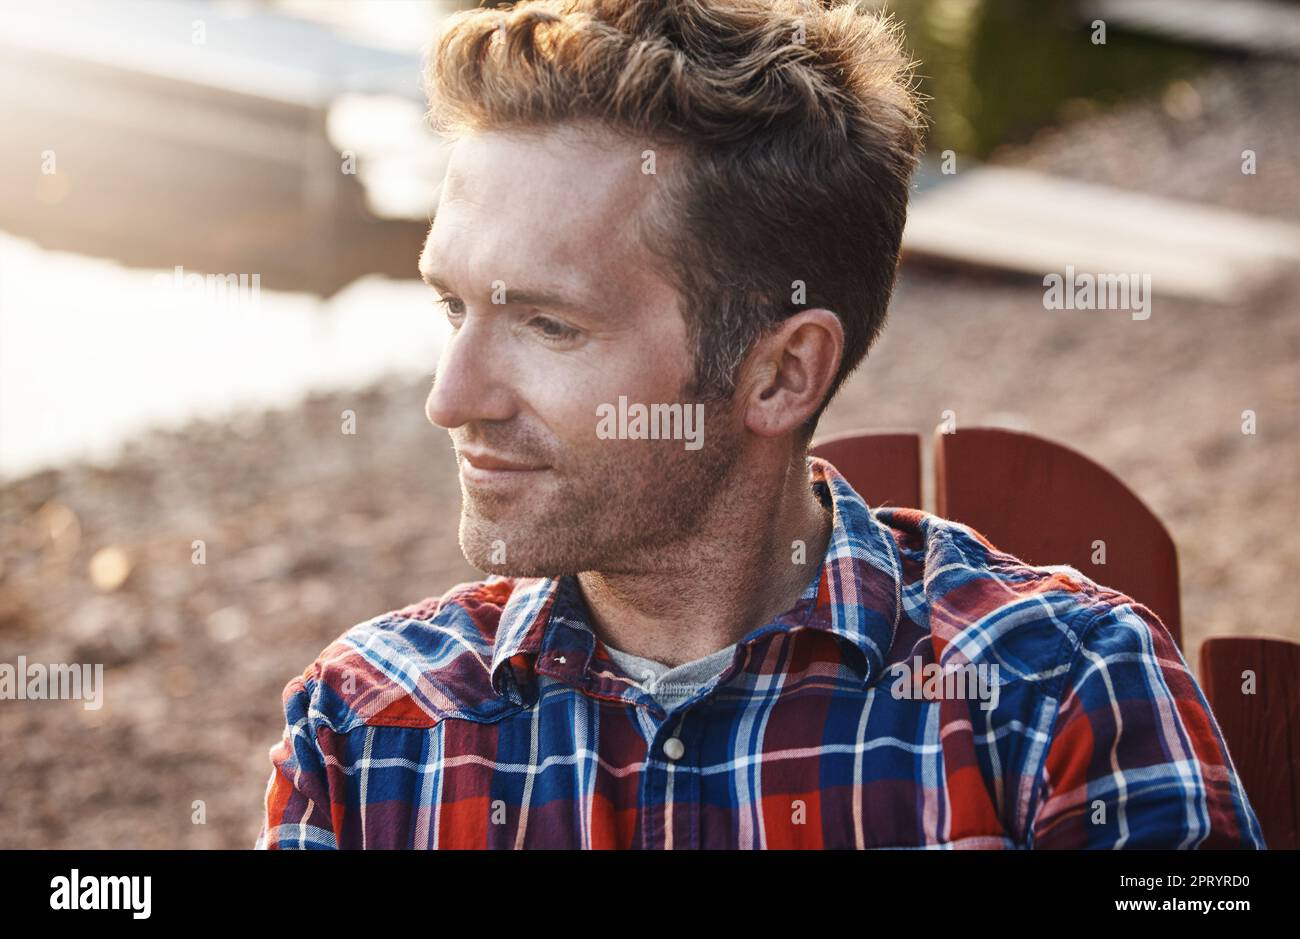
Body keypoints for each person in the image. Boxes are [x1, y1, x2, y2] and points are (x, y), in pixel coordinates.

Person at [256, 0, 1263, 849]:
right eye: (451, 306)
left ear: (781, 374)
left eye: (547, 324)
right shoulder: (366, 733)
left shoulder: (1062, 696)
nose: (451, 396)